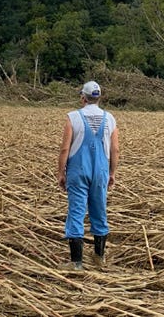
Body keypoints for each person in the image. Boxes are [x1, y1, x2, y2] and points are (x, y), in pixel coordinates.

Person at [57, 81, 120, 271]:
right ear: (98, 98)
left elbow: (65, 149)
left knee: (76, 213)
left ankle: (76, 262)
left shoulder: (73, 118)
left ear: (83, 97)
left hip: (78, 171)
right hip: (100, 171)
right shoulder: (110, 119)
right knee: (99, 212)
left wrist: (61, 172)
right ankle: (99, 257)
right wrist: (112, 173)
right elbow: (115, 150)